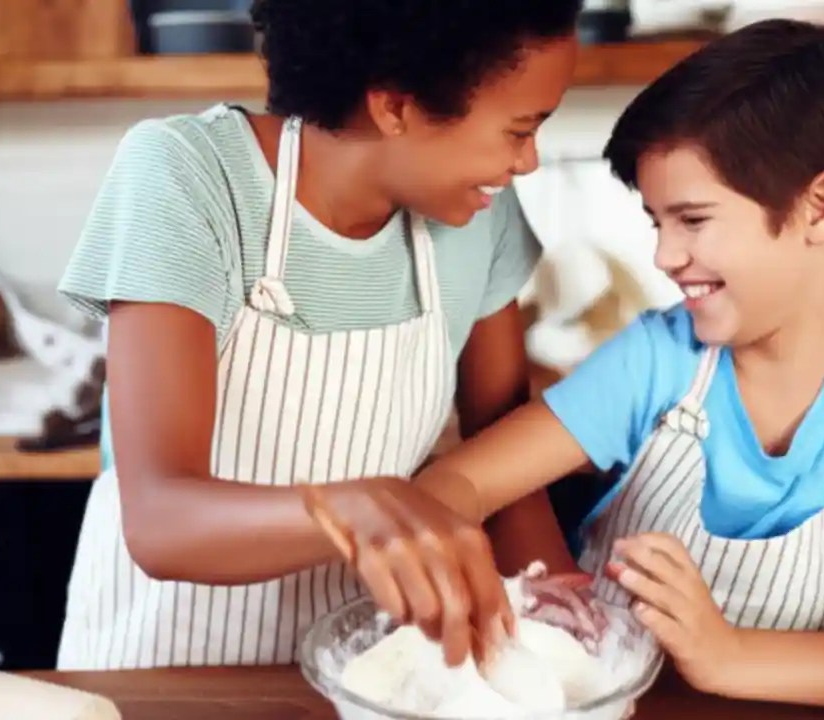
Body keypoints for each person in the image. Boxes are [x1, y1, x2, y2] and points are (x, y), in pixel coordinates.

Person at [311, 18, 824, 709]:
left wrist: (728, 655)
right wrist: (497, 577)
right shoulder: (659, 357)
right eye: (657, 220)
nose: (664, 256)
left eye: (694, 220)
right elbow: (455, 484)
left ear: (821, 209)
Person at [53, 0, 589, 670]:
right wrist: (356, 508)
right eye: (519, 129)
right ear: (395, 106)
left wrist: (559, 610)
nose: (529, 161)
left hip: (371, 669)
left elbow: (507, 460)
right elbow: (161, 522)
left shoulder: (479, 213)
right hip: (164, 670)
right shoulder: (188, 176)